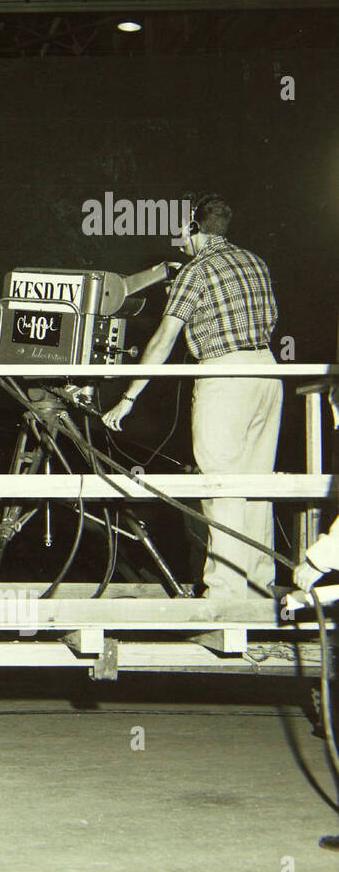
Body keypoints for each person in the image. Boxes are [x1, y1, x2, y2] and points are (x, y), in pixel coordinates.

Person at [102, 194, 280, 604]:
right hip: (268, 373)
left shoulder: (196, 271)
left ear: (195, 228)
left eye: (180, 226)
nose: (175, 234)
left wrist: (128, 397)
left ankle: (224, 597)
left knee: (220, 485)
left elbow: (163, 340)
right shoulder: (255, 261)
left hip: (225, 377)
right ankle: (259, 591)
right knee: (257, 486)